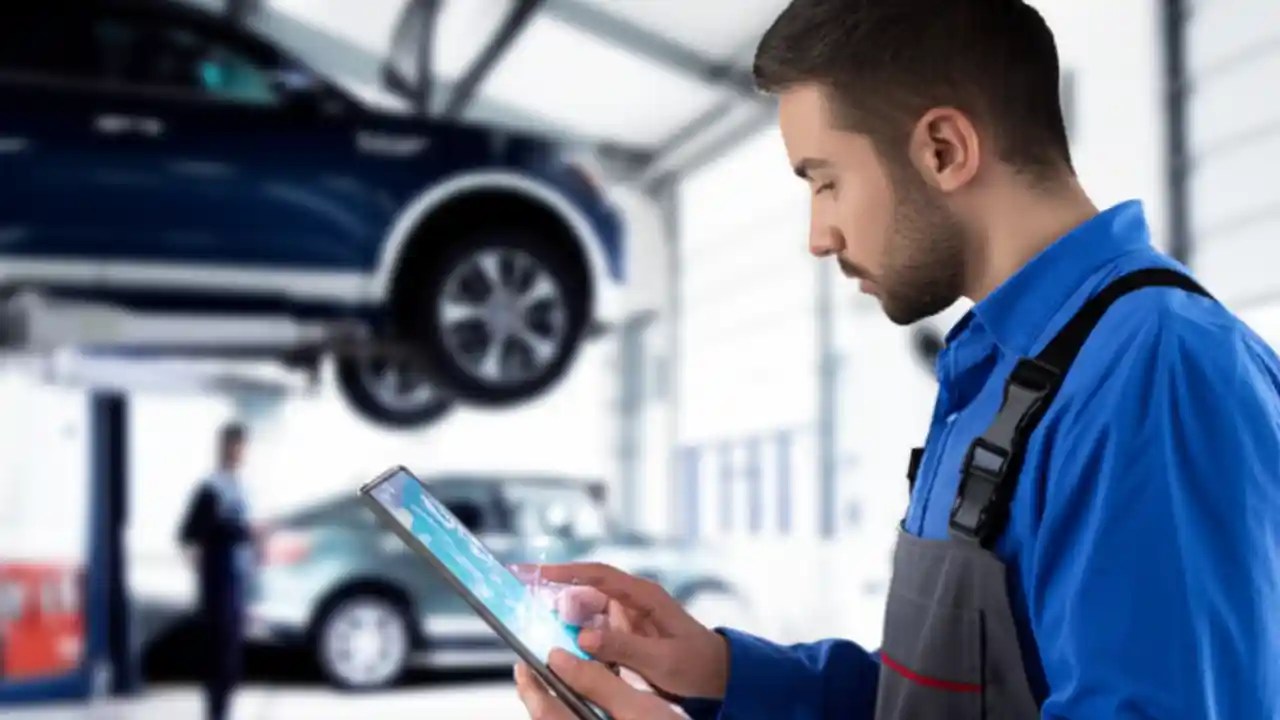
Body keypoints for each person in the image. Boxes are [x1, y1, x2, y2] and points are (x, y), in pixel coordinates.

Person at [512, 0, 1280, 718]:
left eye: (826, 182)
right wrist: (719, 670)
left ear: (943, 150)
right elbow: (939, 697)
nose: (819, 236)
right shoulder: (998, 370)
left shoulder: (1156, 372)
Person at [179, 423, 257, 720]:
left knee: (232, 649)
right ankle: (216, 710)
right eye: (235, 446)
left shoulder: (241, 485)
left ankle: (224, 707)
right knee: (218, 647)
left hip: (237, 576)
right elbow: (190, 532)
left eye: (242, 447)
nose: (239, 452)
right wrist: (238, 533)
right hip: (218, 576)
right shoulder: (212, 487)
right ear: (224, 447)